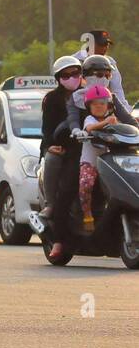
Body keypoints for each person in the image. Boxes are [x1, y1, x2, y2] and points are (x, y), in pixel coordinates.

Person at [39, 55, 82, 225]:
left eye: (75, 73)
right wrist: (50, 146)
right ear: (58, 79)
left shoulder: (89, 94)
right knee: (52, 159)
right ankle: (51, 204)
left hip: (85, 144)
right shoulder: (51, 99)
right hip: (59, 144)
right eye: (66, 75)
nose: (72, 78)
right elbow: (47, 129)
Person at [77, 84, 120, 233]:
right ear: (89, 107)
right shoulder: (89, 119)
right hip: (90, 163)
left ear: (108, 105)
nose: (99, 106)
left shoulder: (113, 119)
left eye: (102, 103)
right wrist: (106, 123)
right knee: (85, 185)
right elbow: (89, 129)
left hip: (109, 163)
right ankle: (87, 214)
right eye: (94, 104)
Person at [72, 30, 126, 106]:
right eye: (101, 44)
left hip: (102, 104)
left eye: (107, 44)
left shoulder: (110, 62)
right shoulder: (74, 61)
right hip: (77, 103)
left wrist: (127, 113)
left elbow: (117, 90)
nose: (105, 48)